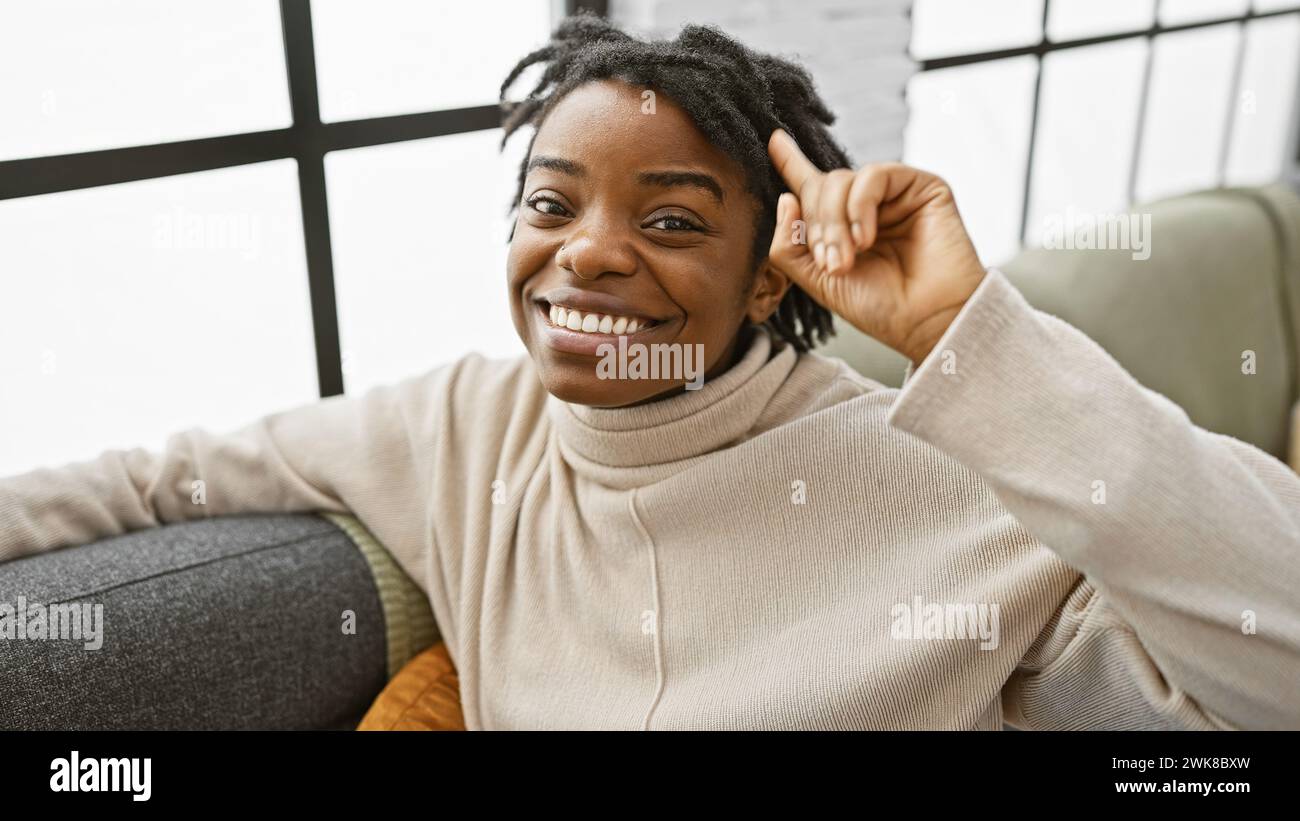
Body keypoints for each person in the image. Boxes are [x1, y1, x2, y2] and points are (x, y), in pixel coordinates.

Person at [2, 13, 1297, 730]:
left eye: (672, 221)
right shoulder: (463, 424)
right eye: (549, 204)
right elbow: (151, 481)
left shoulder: (945, 476)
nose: (589, 257)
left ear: (771, 270)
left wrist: (973, 332)